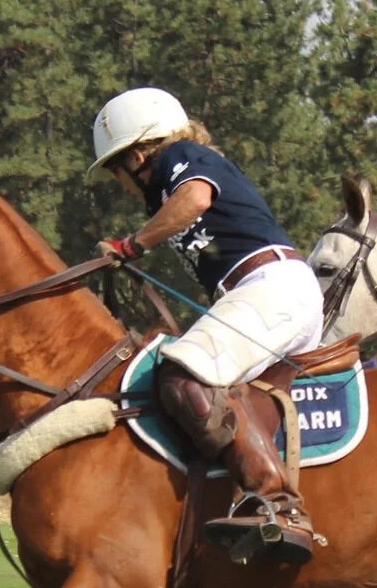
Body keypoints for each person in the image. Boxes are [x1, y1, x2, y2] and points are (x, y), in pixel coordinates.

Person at [87, 87, 324, 560]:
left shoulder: (181, 154)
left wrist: (132, 245)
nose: (121, 183)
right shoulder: (174, 174)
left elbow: (194, 199)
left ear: (138, 153)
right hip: (270, 291)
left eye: (117, 169)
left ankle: (276, 505)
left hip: (270, 286)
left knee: (180, 374)